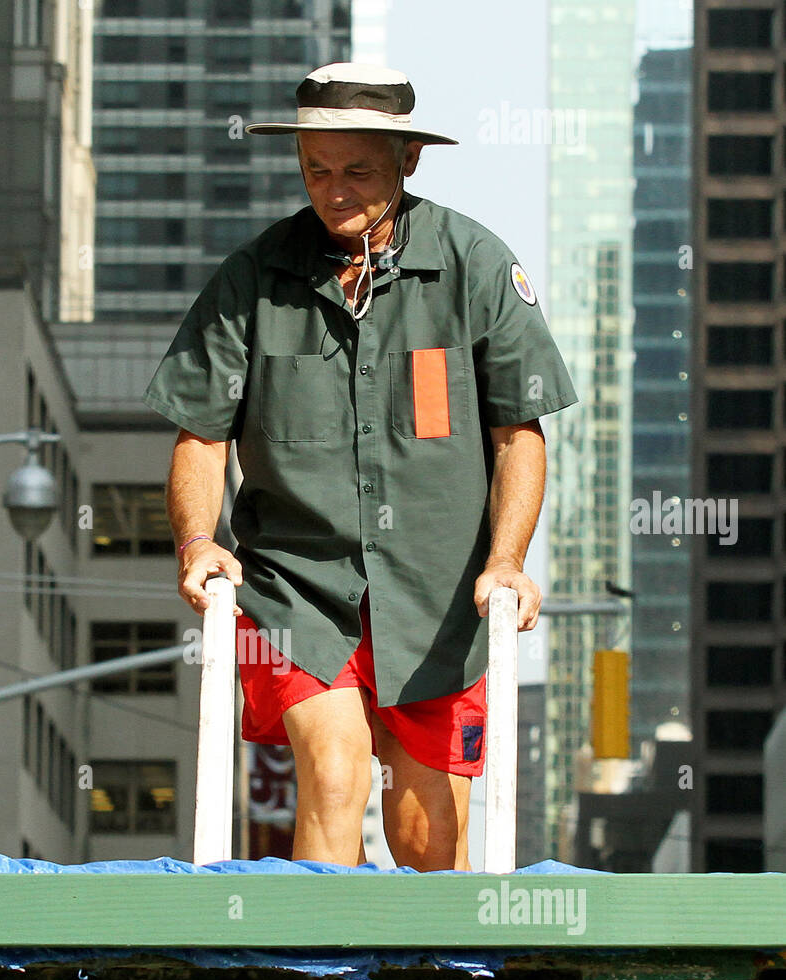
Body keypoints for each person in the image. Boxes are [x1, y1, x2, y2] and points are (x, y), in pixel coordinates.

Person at [145, 62, 578, 871]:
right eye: (316, 169)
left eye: (357, 172)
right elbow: (200, 437)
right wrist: (197, 542)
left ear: (408, 159)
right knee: (335, 774)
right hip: (297, 590)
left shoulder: (475, 264)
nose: (334, 192)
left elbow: (518, 433)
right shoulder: (253, 277)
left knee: (426, 837)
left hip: (440, 598)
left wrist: (506, 562)